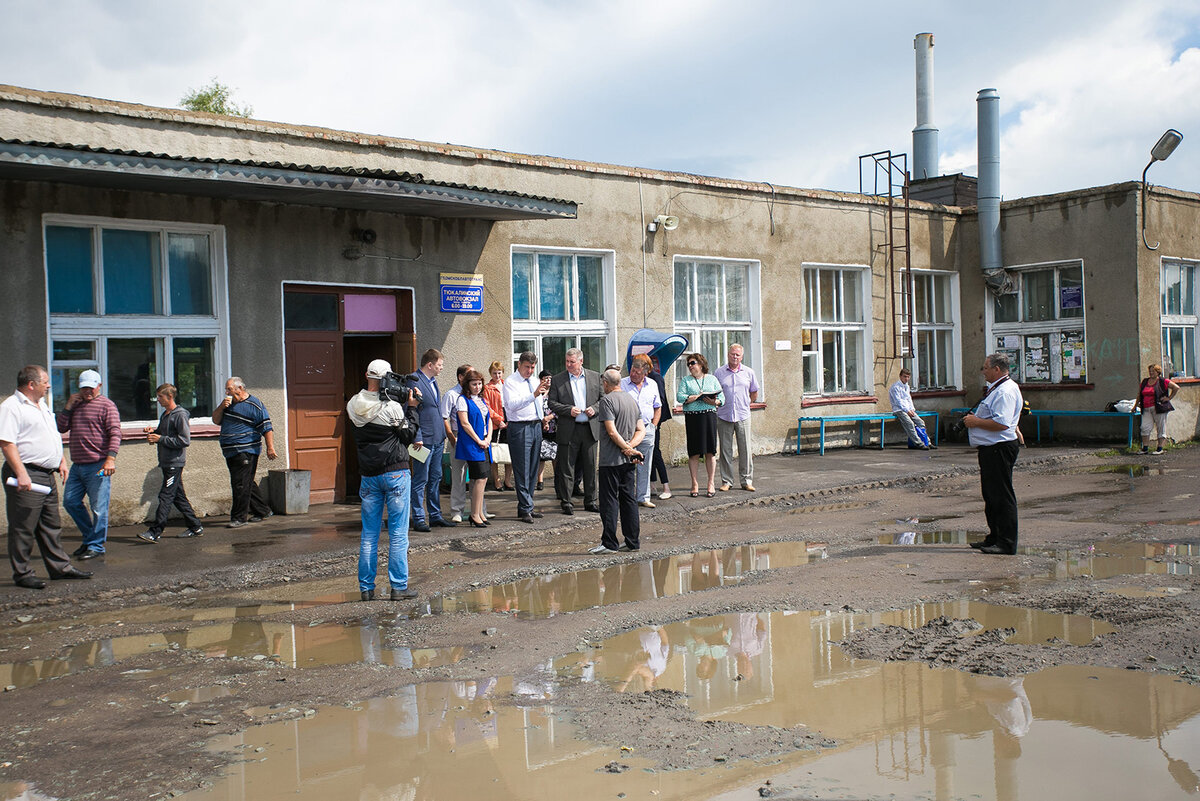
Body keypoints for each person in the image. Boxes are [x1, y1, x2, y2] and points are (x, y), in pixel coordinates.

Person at [0, 365, 93, 588]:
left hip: (46, 474)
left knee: (51, 525)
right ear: (31, 384)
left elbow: (50, 434)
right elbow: (6, 442)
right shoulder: (12, 407)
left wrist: (59, 459)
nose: (49, 386)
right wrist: (22, 474)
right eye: (45, 382)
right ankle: (22, 574)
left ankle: (60, 568)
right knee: (23, 526)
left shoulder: (41, 405)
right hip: (26, 473)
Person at [346, 358, 420, 601]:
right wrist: (412, 407)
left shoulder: (353, 405)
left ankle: (366, 589)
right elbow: (408, 434)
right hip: (395, 473)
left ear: (366, 375)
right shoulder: (391, 408)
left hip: (368, 476)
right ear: (387, 379)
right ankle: (398, 587)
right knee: (398, 534)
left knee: (369, 534)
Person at [55, 368, 121, 559]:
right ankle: (89, 539)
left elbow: (115, 433)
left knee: (99, 508)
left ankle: (96, 546)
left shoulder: (107, 406)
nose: (87, 392)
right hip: (77, 466)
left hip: (99, 466)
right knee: (70, 502)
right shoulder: (75, 405)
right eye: (84, 388)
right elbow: (61, 427)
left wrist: (110, 459)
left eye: (91, 388)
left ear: (99, 386)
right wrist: (67, 407)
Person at [963, 353, 1024, 555]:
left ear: (997, 369)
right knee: (991, 495)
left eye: (985, 368)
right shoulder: (997, 388)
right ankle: (994, 537)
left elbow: (1002, 423)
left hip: (999, 448)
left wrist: (976, 422)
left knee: (1002, 496)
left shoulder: (1005, 391)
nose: (983, 372)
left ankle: (1006, 543)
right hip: (991, 448)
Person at [137, 383, 203, 542]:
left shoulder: (180, 415)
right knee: (178, 496)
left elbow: (184, 440)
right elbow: (162, 433)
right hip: (166, 462)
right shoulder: (166, 414)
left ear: (170, 397)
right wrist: (152, 433)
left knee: (165, 496)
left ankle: (155, 531)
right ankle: (195, 526)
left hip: (175, 463)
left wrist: (160, 439)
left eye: (160, 396)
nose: (157, 399)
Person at [590, 368, 646, 554]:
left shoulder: (607, 401)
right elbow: (641, 430)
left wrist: (627, 449)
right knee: (628, 499)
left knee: (609, 501)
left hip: (611, 461)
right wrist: (631, 448)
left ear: (606, 383)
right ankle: (632, 541)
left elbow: (612, 431)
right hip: (628, 461)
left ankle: (609, 543)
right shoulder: (631, 399)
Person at [212, 376, 276, 528]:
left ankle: (239, 518)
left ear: (240, 388)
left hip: (246, 449)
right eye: (226, 389)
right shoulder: (228, 404)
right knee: (246, 481)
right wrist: (222, 406)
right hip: (230, 450)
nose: (227, 392)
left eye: (230, 389)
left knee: (240, 484)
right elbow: (215, 420)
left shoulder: (255, 405)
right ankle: (263, 510)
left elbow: (267, 427)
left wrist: (270, 447)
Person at [547, 348, 601, 516]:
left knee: (590, 467)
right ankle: (566, 501)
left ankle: (591, 500)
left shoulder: (595, 377)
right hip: (569, 429)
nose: (569, 365)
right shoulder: (558, 380)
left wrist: (594, 408)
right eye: (567, 362)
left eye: (572, 362)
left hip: (590, 429)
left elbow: (604, 399)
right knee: (567, 468)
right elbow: (552, 403)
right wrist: (568, 409)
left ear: (581, 361)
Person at [409, 348, 453, 533]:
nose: (441, 368)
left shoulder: (433, 381)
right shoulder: (414, 380)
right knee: (420, 478)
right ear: (430, 364)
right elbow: (410, 410)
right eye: (439, 365)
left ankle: (435, 515)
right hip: (421, 440)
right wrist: (416, 436)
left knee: (435, 477)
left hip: (437, 438)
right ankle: (418, 517)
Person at [502, 351, 549, 523]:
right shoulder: (510, 382)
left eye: (532, 368)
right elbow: (512, 406)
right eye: (527, 367)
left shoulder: (535, 381)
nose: (530, 371)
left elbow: (538, 403)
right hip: (519, 427)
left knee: (533, 469)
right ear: (519, 365)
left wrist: (542, 417)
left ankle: (527, 505)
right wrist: (534, 394)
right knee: (522, 469)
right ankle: (525, 508)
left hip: (535, 425)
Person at [443, 363, 487, 523]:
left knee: (478, 476)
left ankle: (480, 510)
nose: (475, 382)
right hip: (458, 436)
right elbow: (445, 418)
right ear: (461, 378)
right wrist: (451, 438)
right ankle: (457, 511)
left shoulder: (477, 396)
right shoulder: (452, 395)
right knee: (459, 475)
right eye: (470, 377)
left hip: (477, 439)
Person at [676, 352, 724, 497]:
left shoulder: (712, 379)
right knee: (694, 452)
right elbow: (680, 397)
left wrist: (714, 402)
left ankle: (711, 483)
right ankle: (694, 484)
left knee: (710, 452)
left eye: (693, 363)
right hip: (693, 418)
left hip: (708, 416)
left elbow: (722, 397)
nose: (690, 366)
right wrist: (693, 398)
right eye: (688, 364)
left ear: (701, 364)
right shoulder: (686, 381)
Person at [714, 344, 759, 492]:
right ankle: (727, 481)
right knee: (725, 450)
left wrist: (746, 404)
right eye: (733, 354)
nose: (735, 357)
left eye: (738, 355)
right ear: (728, 355)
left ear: (742, 356)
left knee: (745, 449)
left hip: (743, 416)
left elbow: (754, 393)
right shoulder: (719, 372)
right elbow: (714, 394)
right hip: (724, 416)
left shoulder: (749, 372)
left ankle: (746, 480)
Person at [620, 355, 662, 508]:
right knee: (625, 463)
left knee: (645, 464)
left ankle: (643, 497)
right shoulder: (622, 384)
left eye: (637, 372)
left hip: (646, 428)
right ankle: (626, 497)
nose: (633, 374)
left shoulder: (652, 385)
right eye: (632, 370)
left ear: (645, 373)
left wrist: (653, 426)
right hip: (627, 429)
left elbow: (658, 406)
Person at [454, 369, 493, 527]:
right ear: (467, 385)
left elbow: (488, 420)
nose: (477, 386)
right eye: (474, 384)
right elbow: (464, 423)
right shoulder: (462, 400)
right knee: (478, 478)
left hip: (484, 442)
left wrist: (488, 438)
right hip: (472, 444)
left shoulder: (481, 399)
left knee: (483, 479)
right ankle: (474, 514)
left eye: (479, 383)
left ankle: (480, 513)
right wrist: (479, 440)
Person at [1134, 363, 1180, 455]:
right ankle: (1145, 448)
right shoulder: (1145, 382)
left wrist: (1168, 398)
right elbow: (1140, 394)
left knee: (1160, 427)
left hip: (1159, 408)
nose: (1151, 373)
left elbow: (1176, 387)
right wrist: (1135, 405)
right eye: (1150, 371)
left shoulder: (1163, 381)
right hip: (1146, 408)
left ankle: (1160, 448)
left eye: (1153, 371)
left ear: (1158, 372)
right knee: (1144, 427)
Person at [483, 361, 512, 492]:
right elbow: (487, 407)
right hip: (495, 424)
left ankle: (508, 480)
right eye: (494, 373)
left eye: (499, 372)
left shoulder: (507, 385)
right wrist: (498, 420)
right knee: (495, 453)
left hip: (509, 420)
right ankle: (497, 480)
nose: (497, 375)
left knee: (509, 453)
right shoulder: (487, 388)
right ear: (490, 373)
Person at [648, 356, 674, 500]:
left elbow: (660, 401)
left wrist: (655, 423)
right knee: (648, 453)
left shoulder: (655, 378)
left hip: (655, 421)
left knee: (655, 452)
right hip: (646, 421)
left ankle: (666, 485)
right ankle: (652, 485)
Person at [889, 367, 933, 450]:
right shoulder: (895, 387)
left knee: (920, 422)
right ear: (900, 376)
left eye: (908, 377)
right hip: (899, 410)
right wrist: (907, 410)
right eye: (904, 376)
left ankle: (927, 442)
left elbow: (908, 399)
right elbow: (898, 401)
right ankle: (918, 443)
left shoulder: (907, 386)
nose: (906, 379)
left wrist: (912, 409)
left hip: (908, 409)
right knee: (910, 424)